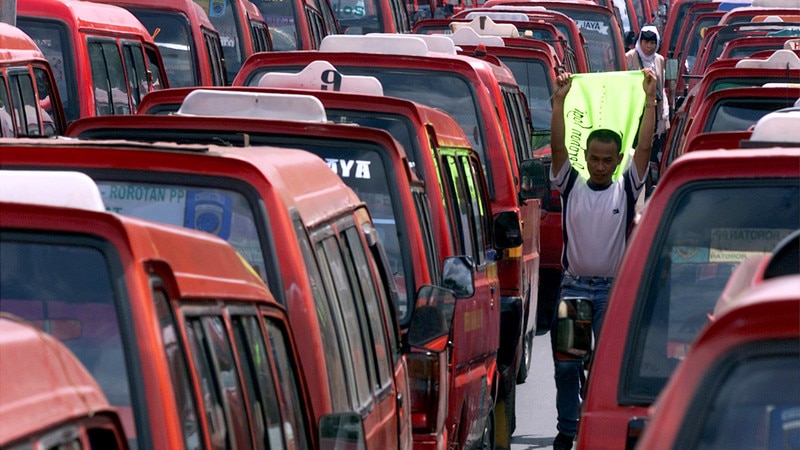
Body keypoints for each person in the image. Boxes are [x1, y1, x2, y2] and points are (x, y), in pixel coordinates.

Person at [548, 68, 657, 450]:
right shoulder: (570, 184)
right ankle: (567, 429)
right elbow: (558, 148)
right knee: (566, 366)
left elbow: (644, 149)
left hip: (611, 292)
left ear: (615, 161)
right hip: (574, 289)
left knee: (608, 369)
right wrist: (560, 100)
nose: (599, 165)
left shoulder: (626, 187)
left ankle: (603, 430)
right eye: (593, 158)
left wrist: (650, 99)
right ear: (586, 157)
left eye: (606, 159)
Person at [626, 25, 669, 167]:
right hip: (634, 111)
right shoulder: (629, 57)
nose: (648, 46)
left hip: (653, 109)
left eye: (652, 43)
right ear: (639, 42)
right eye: (645, 42)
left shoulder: (659, 60)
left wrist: (664, 114)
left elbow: (661, 87)